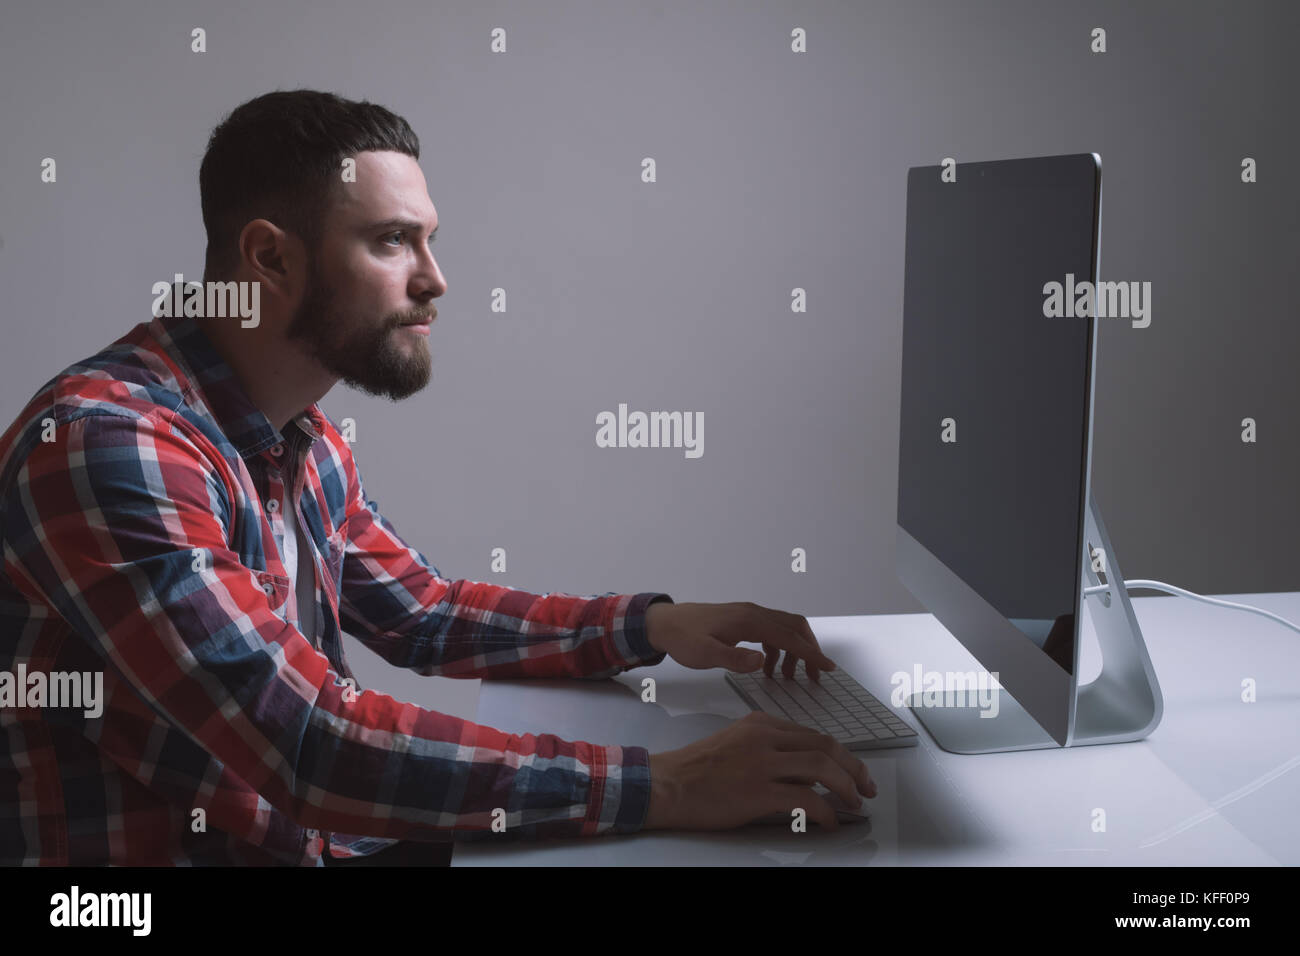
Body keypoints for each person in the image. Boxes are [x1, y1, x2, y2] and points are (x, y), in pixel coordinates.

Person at [0, 90, 875, 866]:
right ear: (268, 258)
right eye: (392, 242)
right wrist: (663, 785)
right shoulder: (109, 448)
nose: (436, 279)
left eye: (430, 240)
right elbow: (307, 741)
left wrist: (651, 625)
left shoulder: (296, 434)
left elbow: (424, 615)